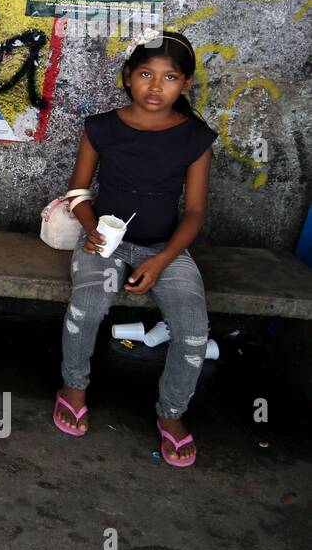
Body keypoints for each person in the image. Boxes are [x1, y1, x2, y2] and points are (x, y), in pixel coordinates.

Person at [54, 30, 218, 467]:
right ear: (128, 77)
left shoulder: (194, 138)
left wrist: (163, 260)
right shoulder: (102, 128)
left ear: (185, 85)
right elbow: (79, 190)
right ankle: (74, 386)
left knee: (193, 328)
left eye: (170, 77)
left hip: (165, 247)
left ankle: (171, 413)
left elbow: (195, 213)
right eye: (146, 74)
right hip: (105, 240)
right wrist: (91, 230)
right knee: (87, 305)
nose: (156, 86)